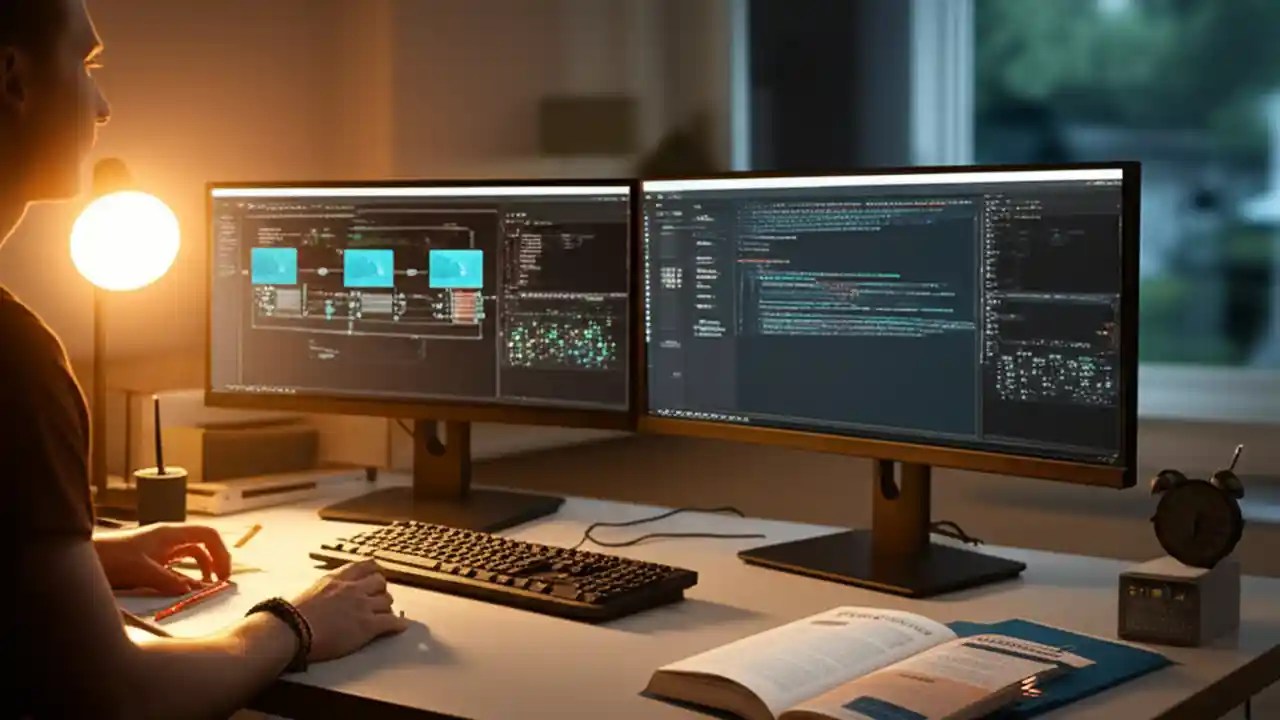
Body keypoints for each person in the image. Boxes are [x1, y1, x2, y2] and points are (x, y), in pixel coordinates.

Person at [2, 1, 408, 717]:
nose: (102, 107)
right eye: (87, 65)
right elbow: (119, 696)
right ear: (12, 76)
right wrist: (294, 624)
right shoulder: (16, 364)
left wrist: (86, 556)